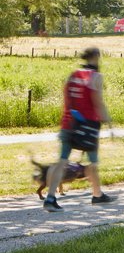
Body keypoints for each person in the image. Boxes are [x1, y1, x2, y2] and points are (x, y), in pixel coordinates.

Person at [44, 47, 115, 212]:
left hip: (69, 123)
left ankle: (50, 198)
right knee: (92, 163)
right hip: (88, 127)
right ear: (96, 57)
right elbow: (98, 102)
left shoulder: (73, 75)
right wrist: (109, 123)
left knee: (62, 161)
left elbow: (66, 98)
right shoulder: (95, 76)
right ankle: (97, 195)